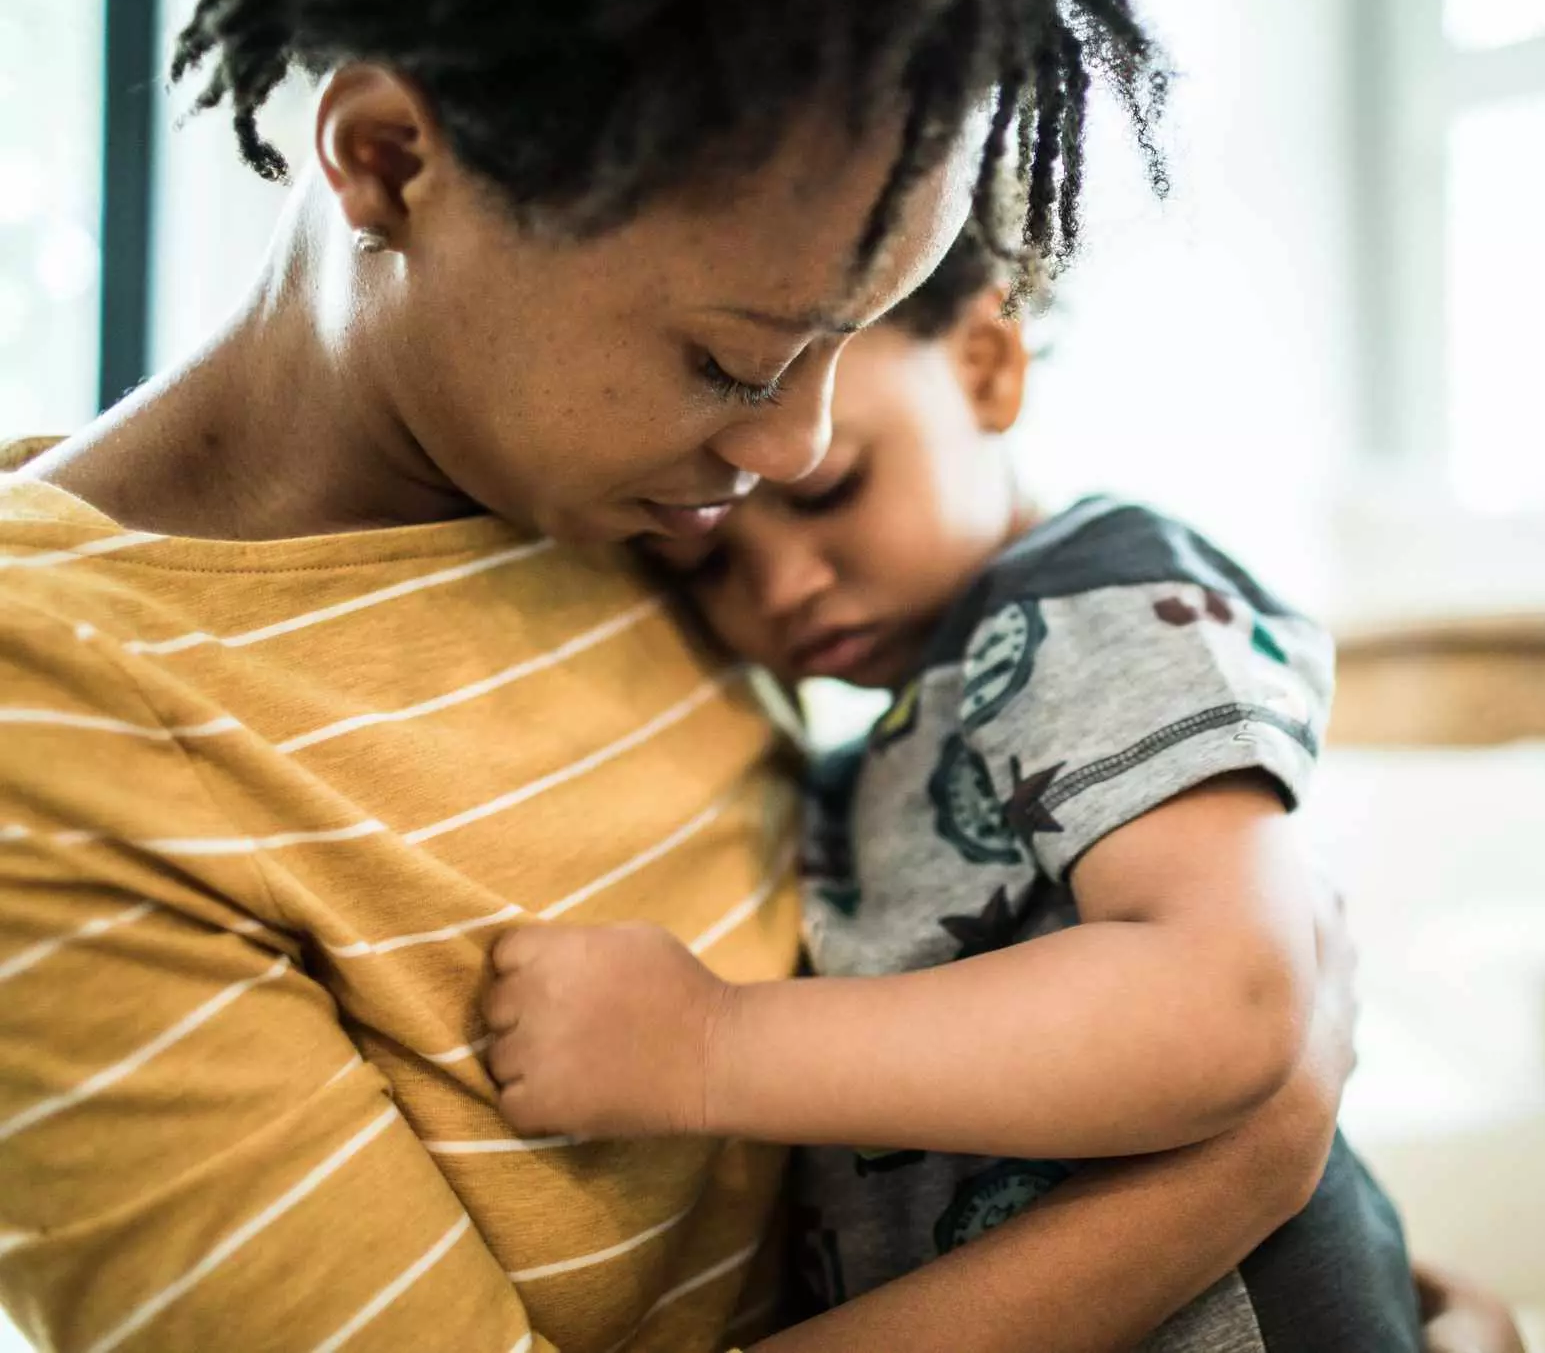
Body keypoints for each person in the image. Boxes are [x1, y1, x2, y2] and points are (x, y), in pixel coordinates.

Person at [0, 0, 1365, 1351]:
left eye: (847, 341)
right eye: (731, 360)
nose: (794, 446)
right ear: (392, 158)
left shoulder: (626, 499)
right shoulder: (52, 721)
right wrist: (1235, 1180)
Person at [483, 227, 1429, 1353]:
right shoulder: (897, 724)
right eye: (708, 561)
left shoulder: (1099, 595)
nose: (783, 582)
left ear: (986, 363)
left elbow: (1224, 1001)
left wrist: (708, 1042)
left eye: (831, 486)